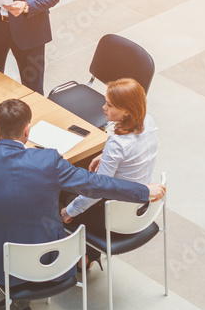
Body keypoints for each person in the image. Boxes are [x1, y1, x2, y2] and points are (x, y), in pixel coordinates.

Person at [0, 98, 166, 310]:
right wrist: (142, 191)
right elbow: (97, 184)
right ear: (28, 129)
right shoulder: (48, 161)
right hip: (52, 258)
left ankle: (19, 297)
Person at [61, 78, 159, 270]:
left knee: (64, 194)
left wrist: (68, 212)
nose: (103, 107)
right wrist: (105, 154)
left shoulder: (118, 144)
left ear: (127, 111)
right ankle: (88, 254)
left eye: (110, 105)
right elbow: (133, 152)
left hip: (114, 216)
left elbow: (96, 191)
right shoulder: (148, 120)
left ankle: (83, 258)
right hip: (140, 204)